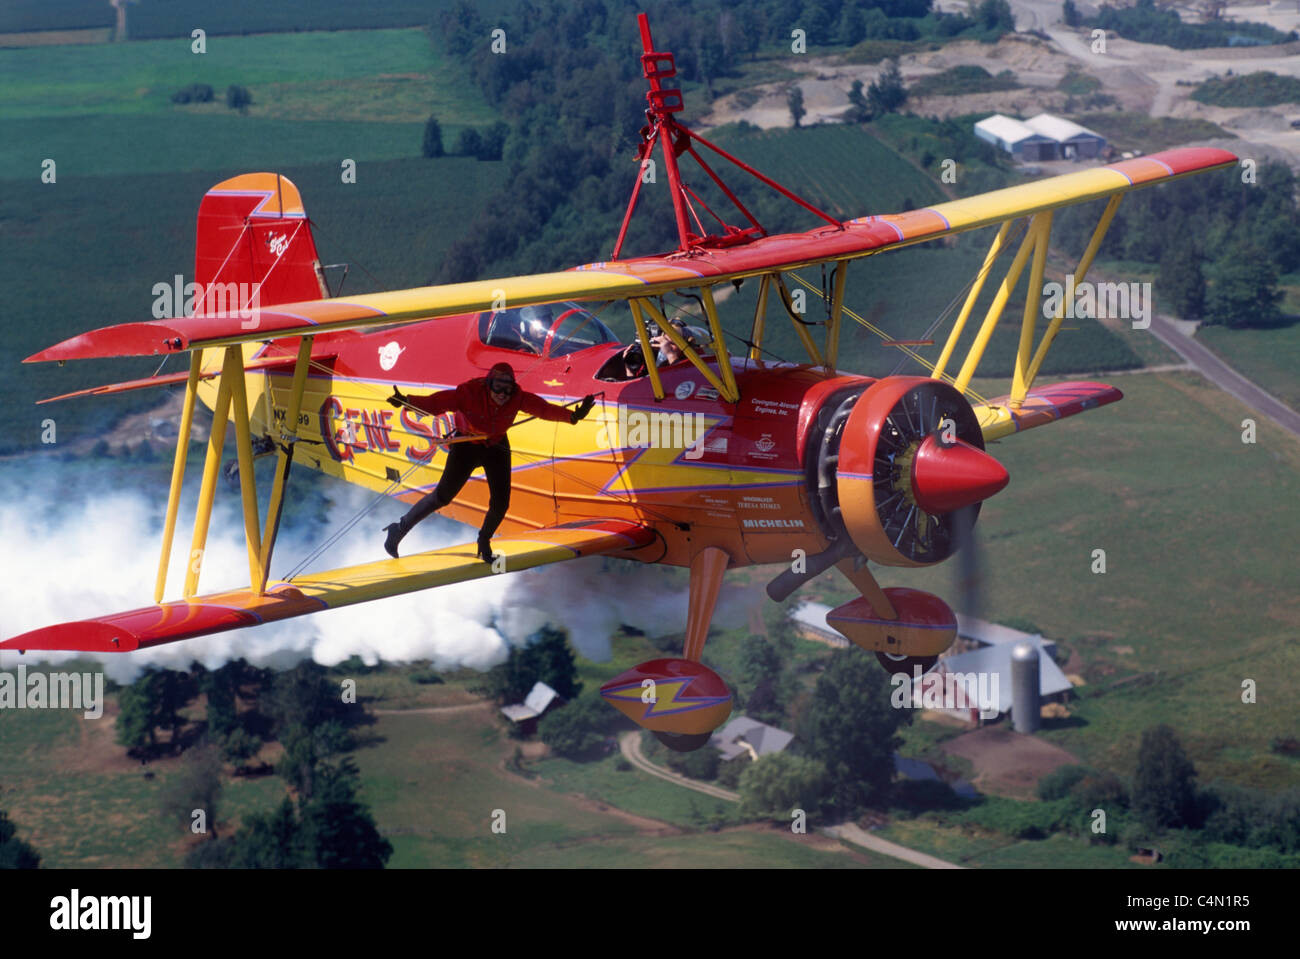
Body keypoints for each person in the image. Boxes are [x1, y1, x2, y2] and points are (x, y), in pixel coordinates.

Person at [383, 362, 594, 562]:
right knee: (442, 497)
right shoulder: (469, 393)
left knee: (501, 503)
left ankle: (484, 541)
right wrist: (408, 402)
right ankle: (398, 529)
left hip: (496, 445)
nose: (502, 394)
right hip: (467, 445)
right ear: (488, 384)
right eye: (498, 388)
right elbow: (437, 403)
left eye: (508, 390)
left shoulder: (517, 398)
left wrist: (573, 417)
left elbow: (543, 409)